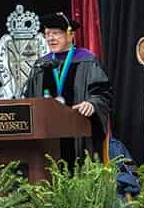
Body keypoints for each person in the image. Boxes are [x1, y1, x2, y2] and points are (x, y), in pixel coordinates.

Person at [24, 12, 113, 162]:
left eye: (56, 33)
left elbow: (104, 93)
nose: (50, 38)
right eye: (47, 34)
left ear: (70, 35)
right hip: (48, 137)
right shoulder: (41, 65)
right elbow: (29, 98)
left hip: (79, 137)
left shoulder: (87, 61)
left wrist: (92, 104)